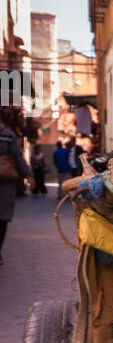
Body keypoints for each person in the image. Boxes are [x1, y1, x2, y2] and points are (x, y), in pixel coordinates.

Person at [0, 109, 36, 265]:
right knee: (2, 218)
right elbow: (17, 157)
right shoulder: (8, 135)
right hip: (6, 181)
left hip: (6, 182)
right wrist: (29, 175)